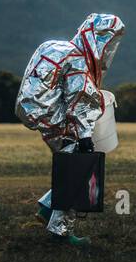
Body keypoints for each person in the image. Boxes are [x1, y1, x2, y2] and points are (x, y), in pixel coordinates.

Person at [15, 13, 125, 246]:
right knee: (78, 168)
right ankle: (61, 230)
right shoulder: (79, 60)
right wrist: (85, 137)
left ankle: (48, 206)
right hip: (61, 122)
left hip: (40, 115)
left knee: (69, 168)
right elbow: (80, 99)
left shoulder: (57, 47)